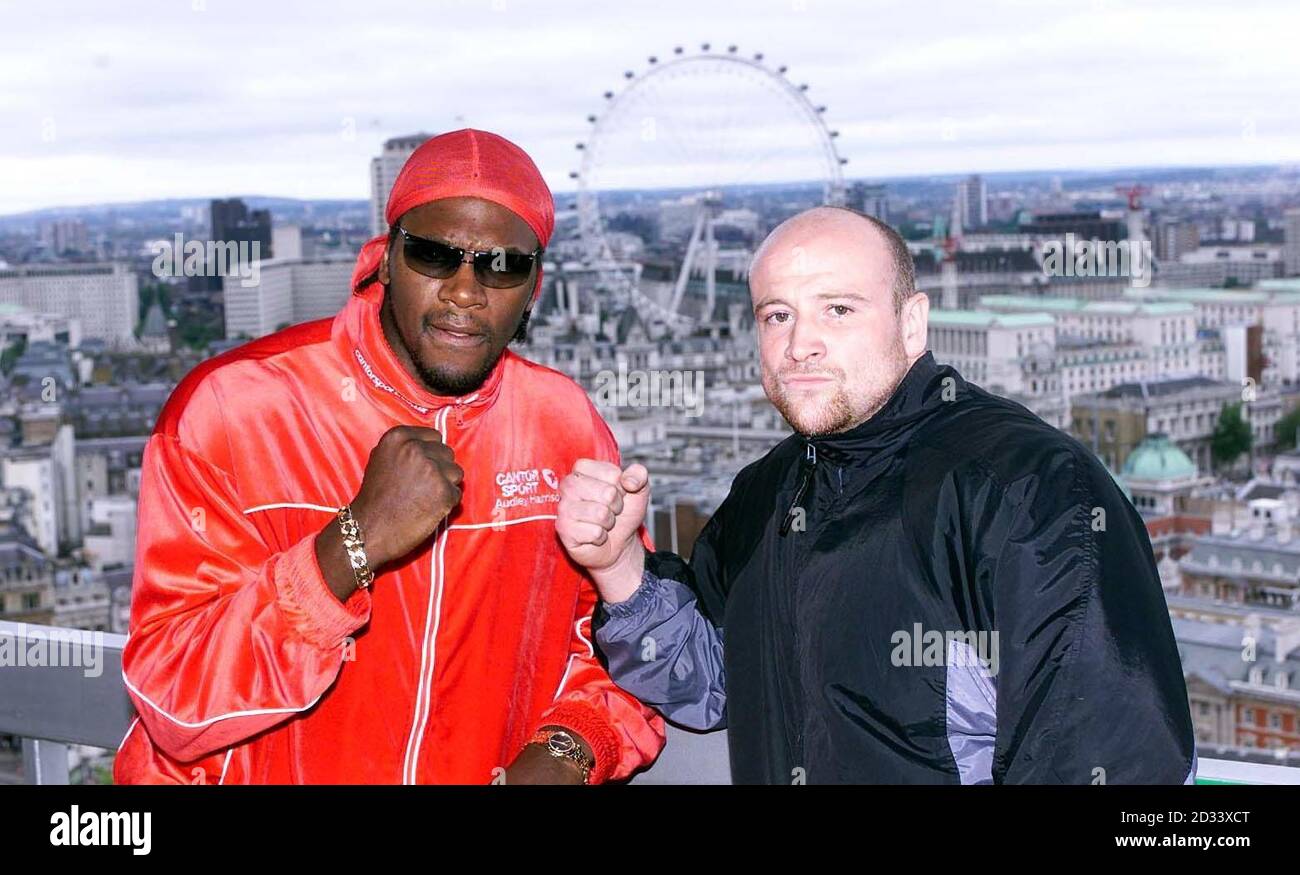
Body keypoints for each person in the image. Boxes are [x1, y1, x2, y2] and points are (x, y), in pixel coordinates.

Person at [556, 206, 1196, 784]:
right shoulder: (763, 495)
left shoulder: (1029, 491)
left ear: (911, 322)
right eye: (777, 315)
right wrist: (619, 568)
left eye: (838, 309)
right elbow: (712, 687)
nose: (799, 344)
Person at [115, 129, 665, 784]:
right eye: (435, 256)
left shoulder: (563, 425)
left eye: (502, 265)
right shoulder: (234, 412)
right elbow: (172, 698)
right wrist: (354, 542)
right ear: (384, 258)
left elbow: (634, 651)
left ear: (535, 287)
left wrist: (566, 754)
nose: (466, 290)